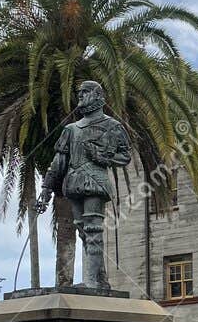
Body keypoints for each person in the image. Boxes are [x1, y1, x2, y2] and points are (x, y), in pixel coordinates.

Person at [38, 80, 131, 289]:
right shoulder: (71, 129)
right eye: (79, 93)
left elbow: (125, 156)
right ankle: (99, 278)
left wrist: (103, 157)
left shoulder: (112, 126)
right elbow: (59, 162)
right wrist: (46, 187)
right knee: (83, 230)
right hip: (74, 184)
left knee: (93, 229)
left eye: (85, 92)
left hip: (96, 183)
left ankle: (93, 283)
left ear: (98, 96)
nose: (80, 96)